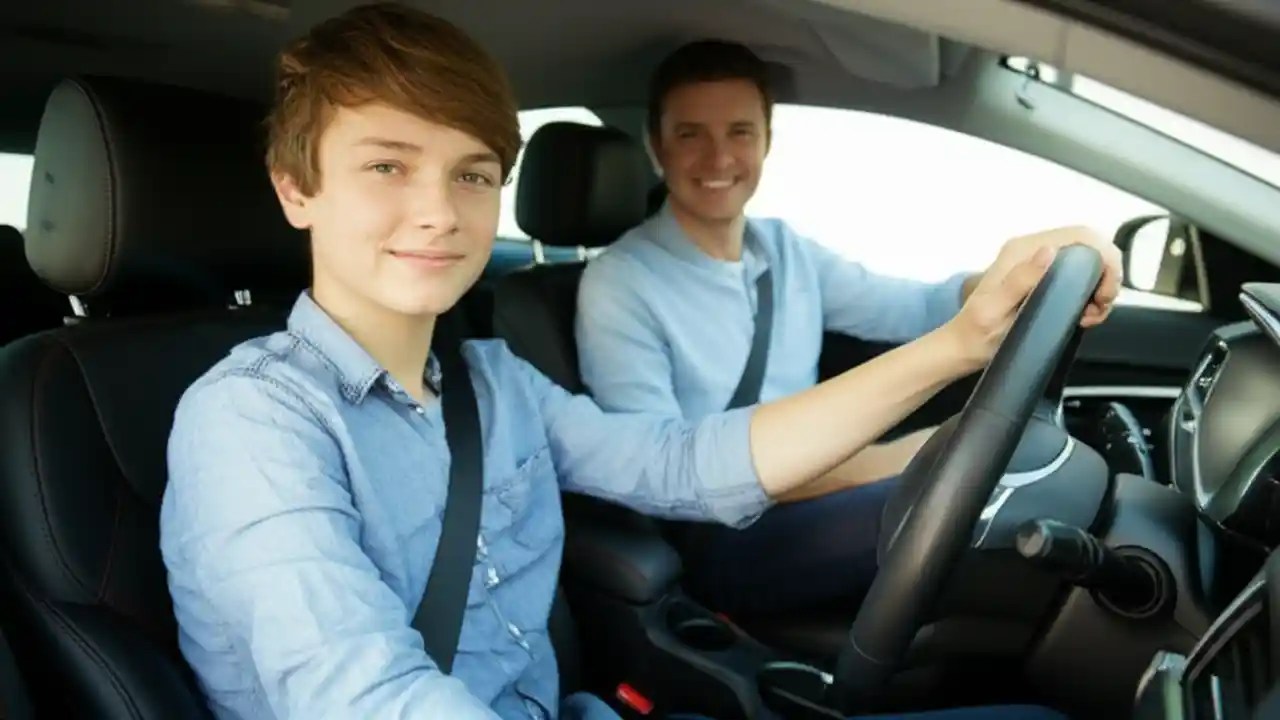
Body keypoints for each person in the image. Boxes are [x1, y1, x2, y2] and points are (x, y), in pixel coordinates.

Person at [159, 4, 1109, 719]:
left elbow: (682, 464)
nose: (440, 212)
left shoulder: (493, 384)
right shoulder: (251, 420)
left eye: (473, 173)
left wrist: (964, 339)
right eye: (386, 166)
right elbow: (365, 698)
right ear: (296, 188)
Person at [574, 39, 1119, 617]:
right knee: (972, 506)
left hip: (818, 494)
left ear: (766, 141)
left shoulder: (784, 251)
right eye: (690, 135)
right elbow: (663, 475)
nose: (718, 159)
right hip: (724, 531)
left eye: (739, 132)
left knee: (996, 495)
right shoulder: (619, 284)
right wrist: (894, 460)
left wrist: (1022, 275)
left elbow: (916, 307)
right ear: (657, 146)